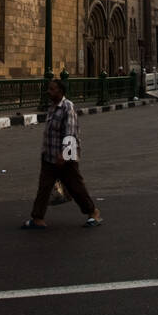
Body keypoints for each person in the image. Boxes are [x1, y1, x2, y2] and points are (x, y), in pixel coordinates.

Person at [22, 77, 104, 228]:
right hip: (49, 155)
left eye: (52, 89)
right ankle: (37, 218)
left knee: (75, 187)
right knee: (44, 187)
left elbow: (70, 131)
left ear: (60, 91)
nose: (49, 91)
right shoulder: (53, 107)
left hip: (64, 157)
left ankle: (93, 213)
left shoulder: (68, 107)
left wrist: (64, 154)